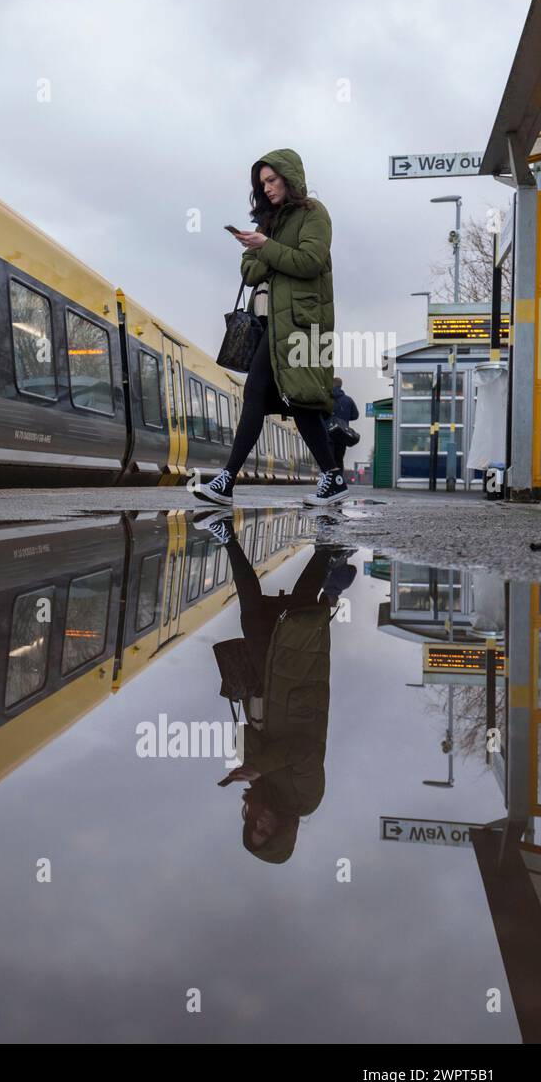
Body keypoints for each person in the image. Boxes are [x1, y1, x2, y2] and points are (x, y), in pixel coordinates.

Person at [194, 148, 347, 508]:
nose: (267, 189)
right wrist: (267, 247)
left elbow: (310, 262)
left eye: (272, 180)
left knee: (283, 397)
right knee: (290, 402)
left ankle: (227, 482)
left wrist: (266, 248)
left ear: (289, 178)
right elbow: (249, 272)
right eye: (262, 184)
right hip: (269, 326)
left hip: (299, 326)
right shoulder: (267, 223)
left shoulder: (314, 215)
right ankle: (333, 477)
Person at [199, 513, 355, 863]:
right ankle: (328, 541)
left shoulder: (260, 790)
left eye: (254, 825)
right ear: (284, 831)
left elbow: (248, 733)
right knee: (301, 605)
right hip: (299, 683)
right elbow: (304, 752)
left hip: (263, 686)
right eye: (266, 831)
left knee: (251, 612)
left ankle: (227, 538)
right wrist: (260, 767)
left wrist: (246, 764)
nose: (261, 821)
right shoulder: (306, 799)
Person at [326, 376, 360, 474]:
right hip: (342, 434)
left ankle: (329, 480)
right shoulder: (348, 400)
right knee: (339, 459)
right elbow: (355, 415)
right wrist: (344, 419)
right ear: (340, 386)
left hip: (328, 434)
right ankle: (339, 481)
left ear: (331, 384)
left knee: (328, 459)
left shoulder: (326, 399)